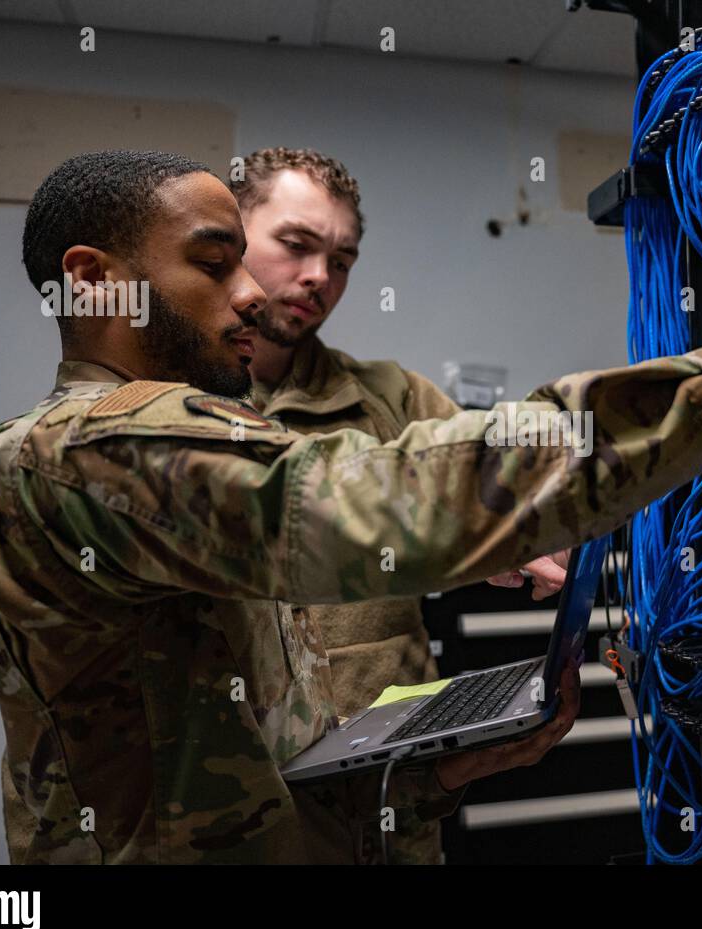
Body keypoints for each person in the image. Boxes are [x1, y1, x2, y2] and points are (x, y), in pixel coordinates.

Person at [0, 150, 702, 863]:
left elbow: (253, 772)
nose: (255, 294)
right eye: (219, 263)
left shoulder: (193, 435)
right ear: (92, 281)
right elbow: (380, 501)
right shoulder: (74, 454)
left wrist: (433, 772)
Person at [230, 147, 566, 863]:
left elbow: (494, 479)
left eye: (343, 260)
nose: (319, 277)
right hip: (244, 825)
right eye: (296, 245)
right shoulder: (172, 415)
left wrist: (511, 530)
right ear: (231, 234)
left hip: (393, 812)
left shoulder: (388, 398)